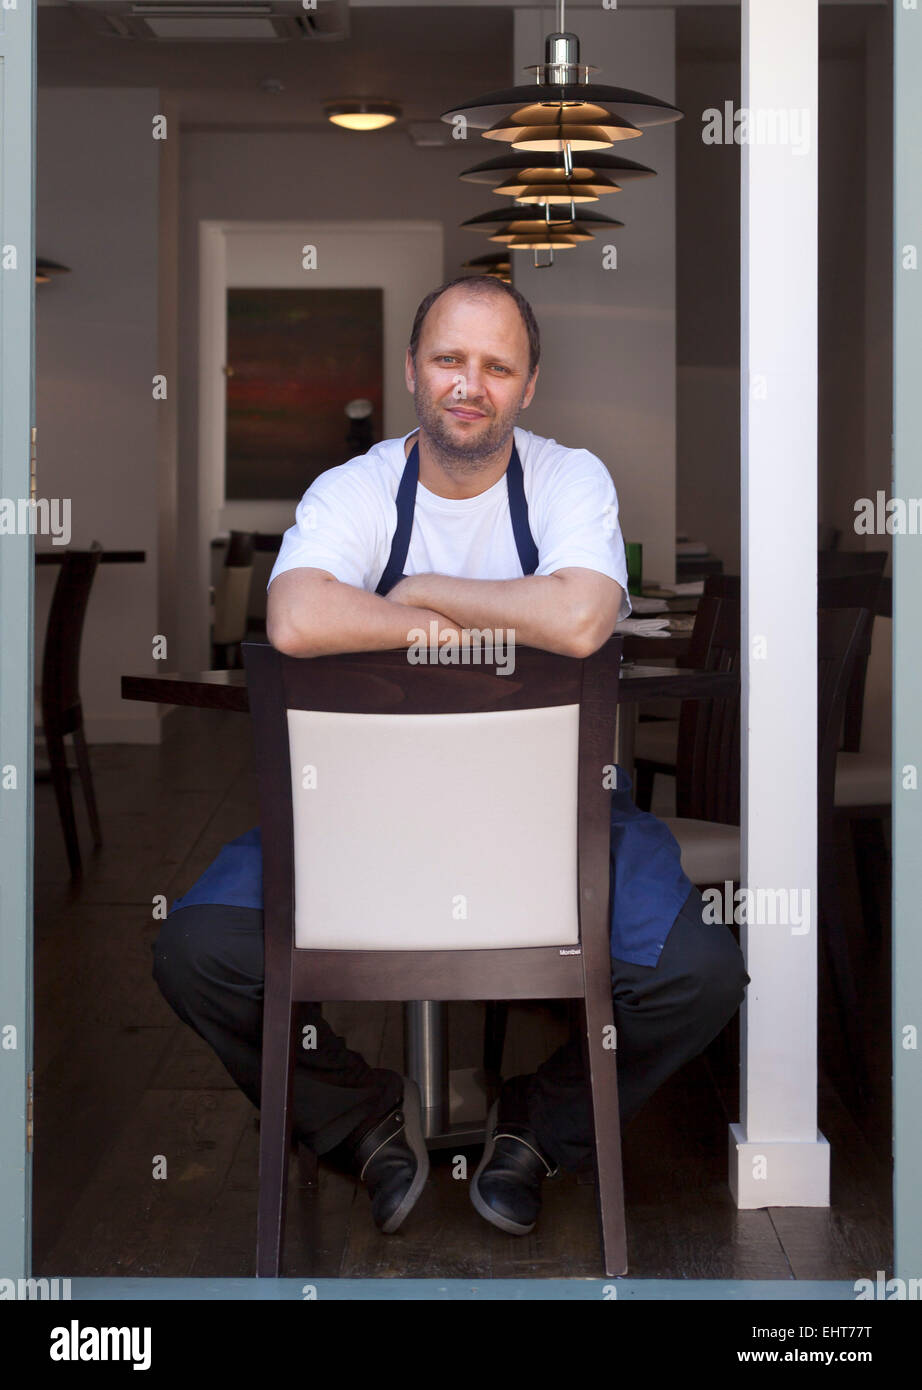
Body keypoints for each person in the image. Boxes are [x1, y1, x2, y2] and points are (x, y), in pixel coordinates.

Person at [152, 276, 748, 1239]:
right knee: (198, 952)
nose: (470, 384)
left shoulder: (567, 479)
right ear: (412, 370)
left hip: (559, 813)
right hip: (363, 813)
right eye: (449, 359)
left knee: (699, 975)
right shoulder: (351, 491)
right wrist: (499, 619)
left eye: (496, 366)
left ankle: (537, 1128)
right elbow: (298, 614)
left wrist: (421, 593)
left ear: (528, 385)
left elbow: (586, 614)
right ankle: (361, 1123)